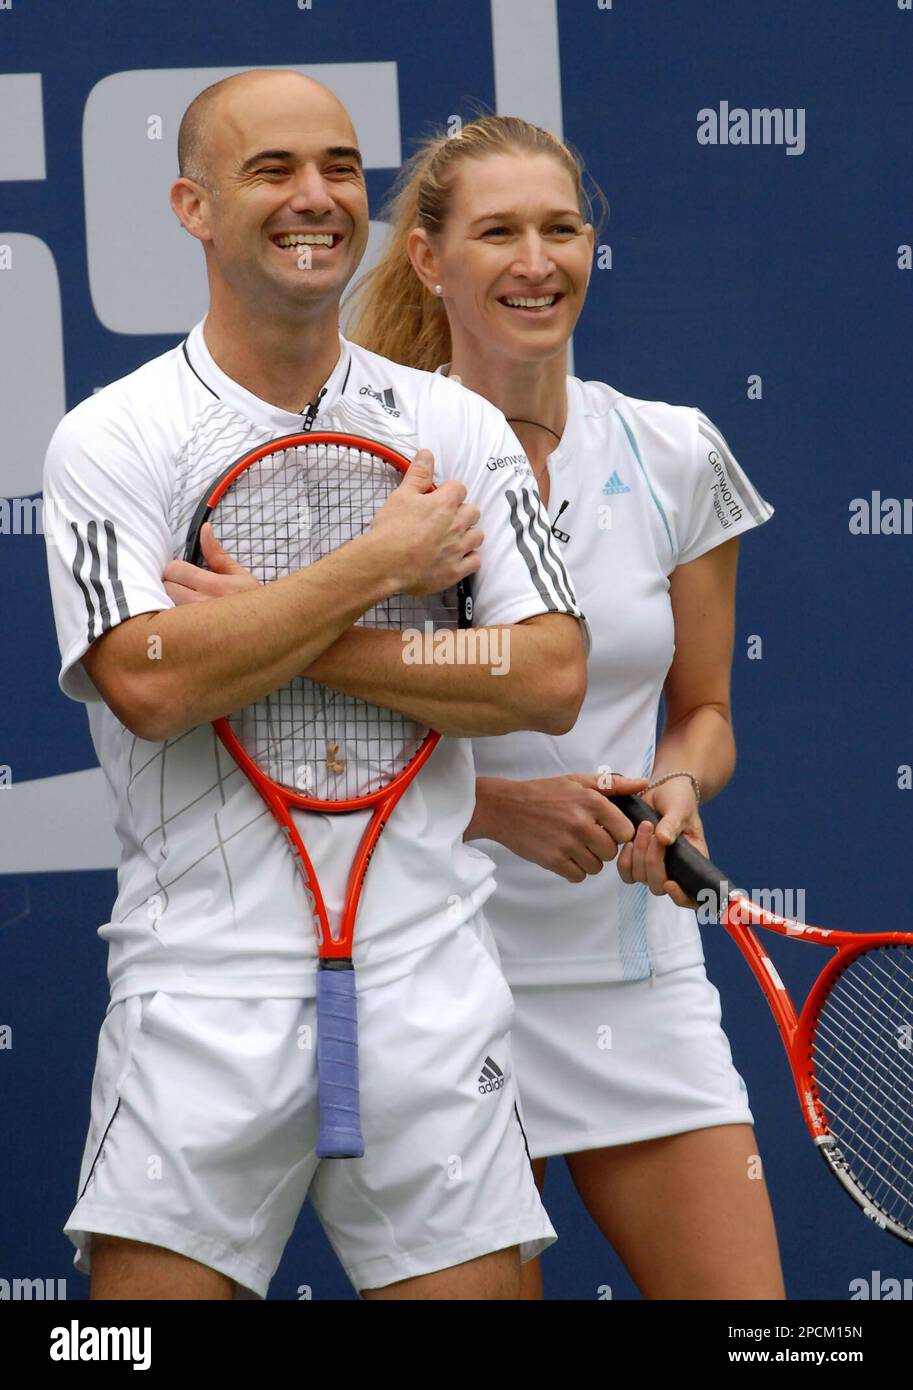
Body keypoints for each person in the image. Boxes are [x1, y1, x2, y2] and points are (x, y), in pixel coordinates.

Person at [41, 73, 601, 1301]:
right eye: (273, 169)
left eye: (341, 168)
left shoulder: (455, 428)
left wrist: (286, 625)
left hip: (428, 986)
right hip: (198, 993)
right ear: (191, 205)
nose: (317, 198)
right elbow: (145, 679)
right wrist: (377, 568)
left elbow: (546, 671)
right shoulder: (111, 439)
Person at [346, 115, 786, 1299]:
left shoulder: (673, 451)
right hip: (432, 974)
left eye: (561, 227)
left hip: (635, 974)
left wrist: (682, 783)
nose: (536, 259)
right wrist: (493, 808)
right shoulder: (358, 460)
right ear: (429, 259)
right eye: (497, 231)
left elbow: (703, 710)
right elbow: (306, 733)